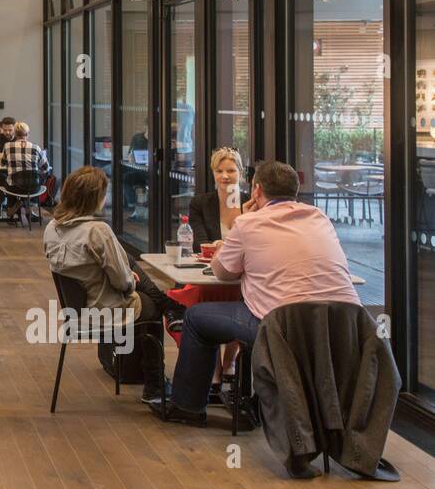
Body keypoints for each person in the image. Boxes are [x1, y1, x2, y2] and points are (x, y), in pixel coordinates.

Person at [152, 160, 363, 428]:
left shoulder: (249, 222)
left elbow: (221, 271)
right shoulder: (319, 217)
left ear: (256, 191)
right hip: (342, 326)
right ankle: (251, 400)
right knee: (257, 306)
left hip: (281, 326)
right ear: (295, 191)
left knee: (195, 317)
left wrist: (242, 222)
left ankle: (188, 407)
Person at [45, 167, 187, 403]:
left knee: (127, 261)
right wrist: (129, 279)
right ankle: (154, 386)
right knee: (150, 307)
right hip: (105, 309)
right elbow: (123, 283)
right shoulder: (98, 231)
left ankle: (169, 306)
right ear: (94, 198)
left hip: (76, 310)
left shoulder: (52, 228)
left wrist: (124, 271)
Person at [188, 147, 247, 246]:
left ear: (240, 173)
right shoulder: (199, 203)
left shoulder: (252, 202)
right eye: (219, 171)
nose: (225, 176)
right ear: (213, 173)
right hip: (211, 261)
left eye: (231, 171)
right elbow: (199, 244)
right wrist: (218, 245)